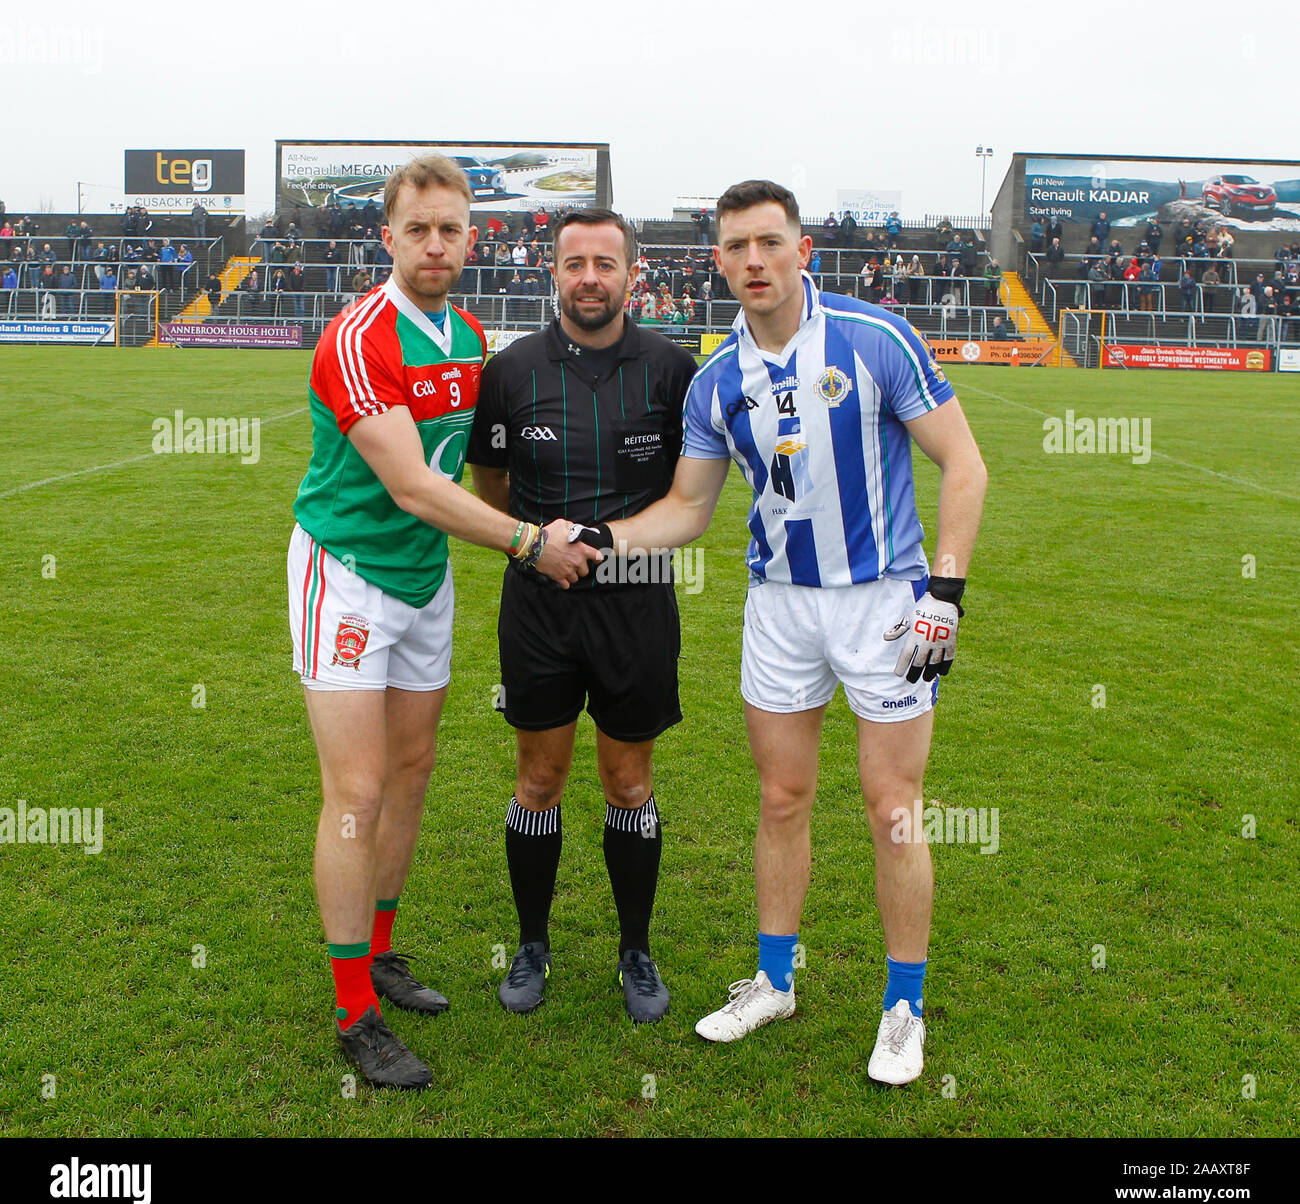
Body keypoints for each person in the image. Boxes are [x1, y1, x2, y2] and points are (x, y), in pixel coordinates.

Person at [586, 180, 987, 1086]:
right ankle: (773, 980)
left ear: (804, 250)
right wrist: (605, 539)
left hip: (888, 602)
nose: (754, 260)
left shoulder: (873, 338)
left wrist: (947, 594)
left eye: (770, 242)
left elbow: (964, 461)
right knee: (780, 799)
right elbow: (688, 506)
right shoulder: (716, 380)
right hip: (778, 606)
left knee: (892, 807)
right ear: (718, 261)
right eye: (737, 246)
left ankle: (904, 1004)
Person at [286, 155, 600, 1091]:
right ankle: (352, 1013)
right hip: (345, 576)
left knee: (412, 769)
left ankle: (379, 953)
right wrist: (527, 541)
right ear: (387, 237)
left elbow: (485, 465)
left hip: (424, 585)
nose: (435, 244)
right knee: (357, 789)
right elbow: (414, 483)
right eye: (417, 228)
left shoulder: (467, 334)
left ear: (472, 236)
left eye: (450, 229)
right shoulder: (357, 336)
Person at [467, 208, 698, 1024]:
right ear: (553, 272)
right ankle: (533, 943)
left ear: (632, 273)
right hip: (539, 604)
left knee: (629, 779)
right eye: (575, 263)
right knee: (539, 776)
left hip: (637, 599)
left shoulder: (675, 369)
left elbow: (690, 492)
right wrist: (536, 546)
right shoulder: (511, 369)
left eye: (606, 262)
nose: (590, 277)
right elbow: (489, 487)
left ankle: (636, 949)